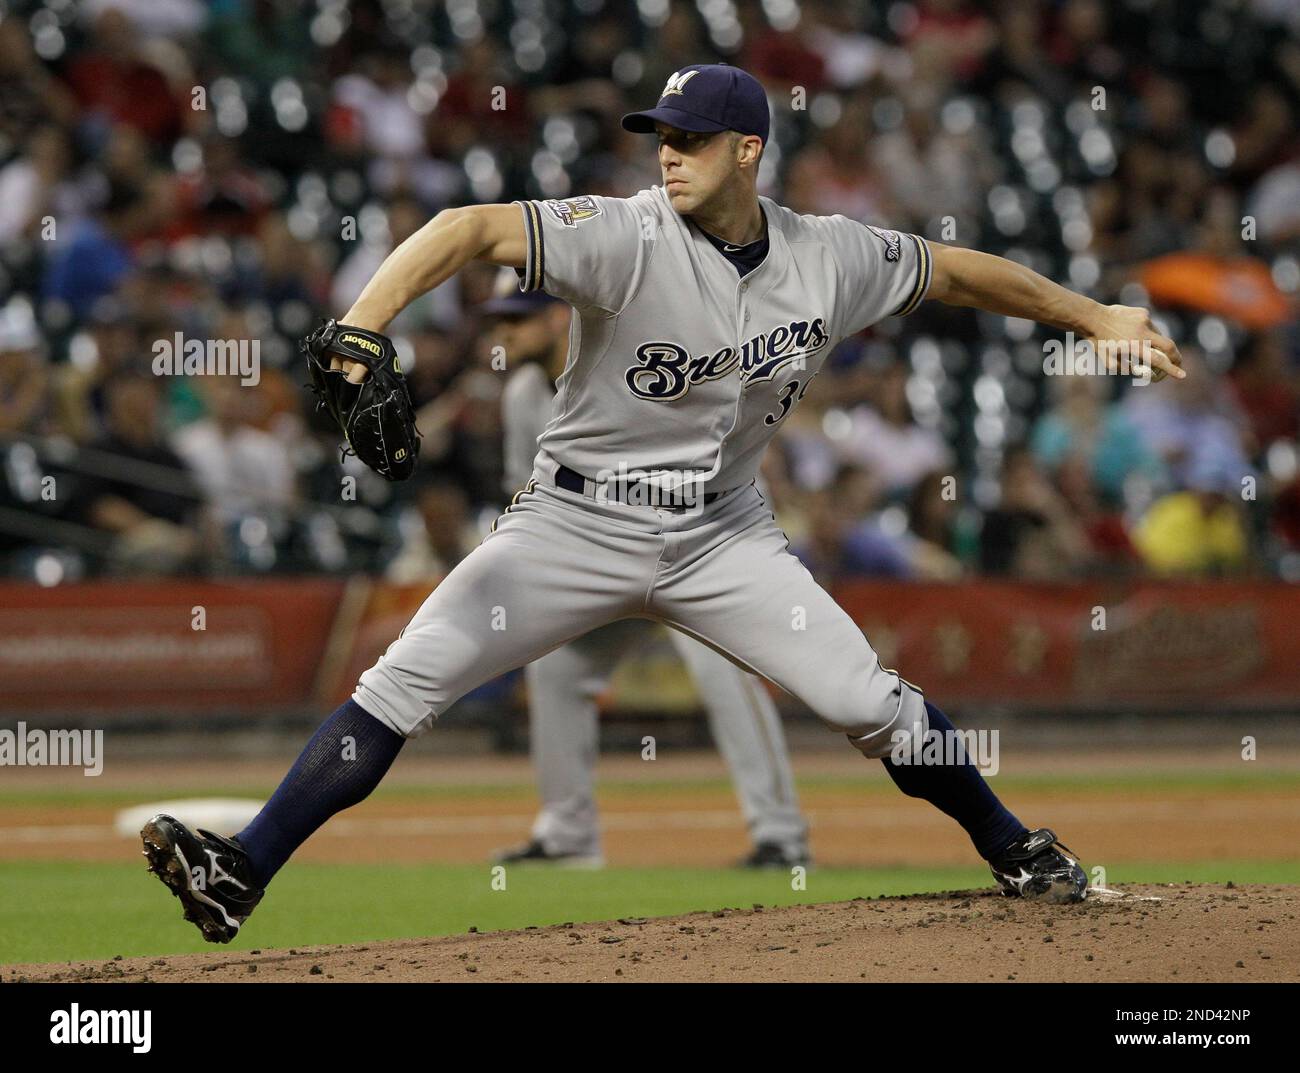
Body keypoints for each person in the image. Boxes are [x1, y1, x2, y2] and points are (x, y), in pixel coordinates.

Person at [142, 64, 1184, 943]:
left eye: (690, 137)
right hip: (571, 524)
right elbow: (464, 228)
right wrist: (364, 323)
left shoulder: (829, 255)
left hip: (721, 534)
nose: (666, 152)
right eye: (658, 134)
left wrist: (1092, 314)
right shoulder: (621, 235)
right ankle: (243, 871)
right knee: (402, 681)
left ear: (748, 151)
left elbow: (955, 272)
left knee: (868, 701)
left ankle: (1015, 847)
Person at [483, 270, 809, 868]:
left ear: (560, 317)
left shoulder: (630, 365)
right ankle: (568, 836)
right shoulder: (523, 396)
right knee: (555, 666)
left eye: (516, 318)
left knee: (725, 673)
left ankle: (780, 837)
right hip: (603, 558)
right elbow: (525, 495)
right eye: (500, 320)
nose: (503, 331)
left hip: (695, 547)